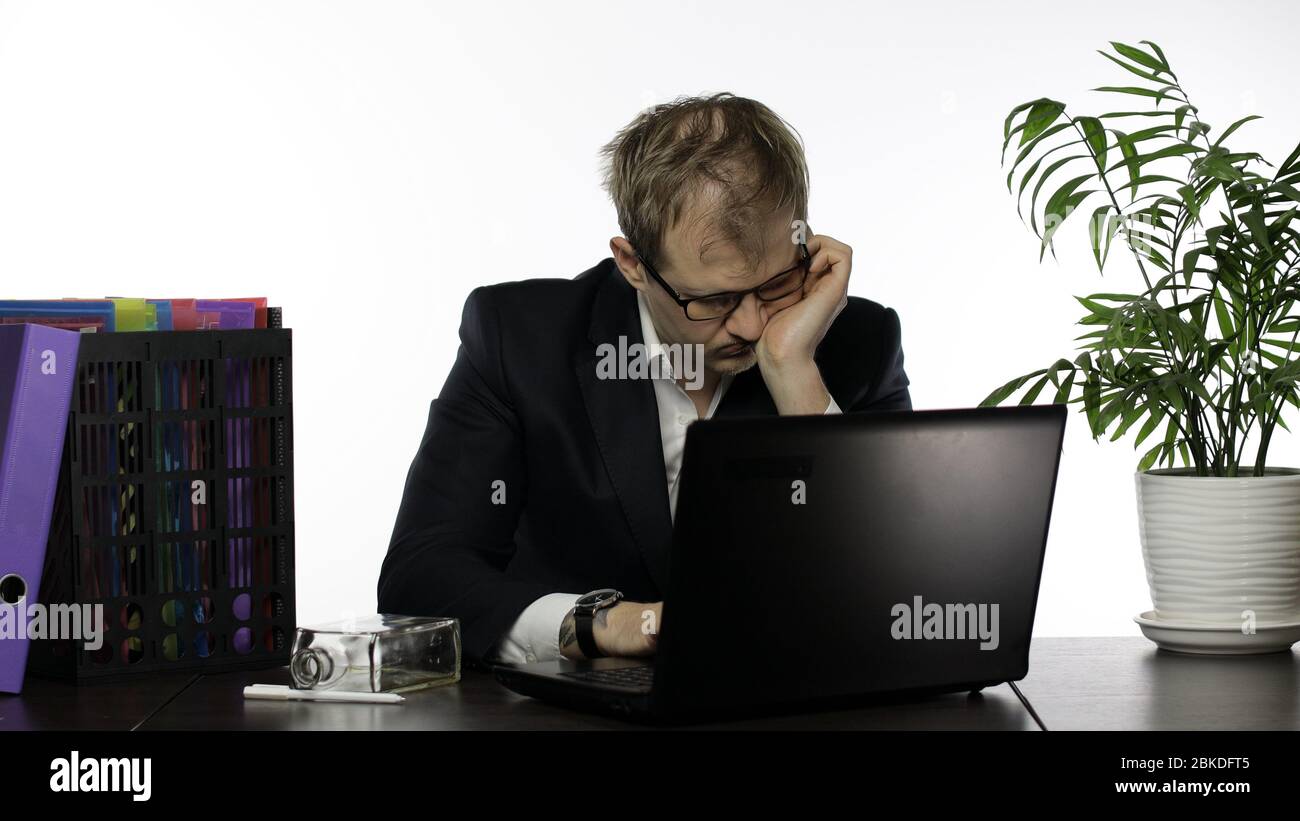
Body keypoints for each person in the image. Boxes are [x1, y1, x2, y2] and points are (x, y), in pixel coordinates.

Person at [377, 92, 912, 668]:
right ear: (632, 263)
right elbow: (421, 577)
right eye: (714, 299)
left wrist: (793, 372)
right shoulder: (519, 339)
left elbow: (904, 590)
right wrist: (602, 623)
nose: (753, 324)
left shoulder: (857, 341)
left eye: (776, 285)